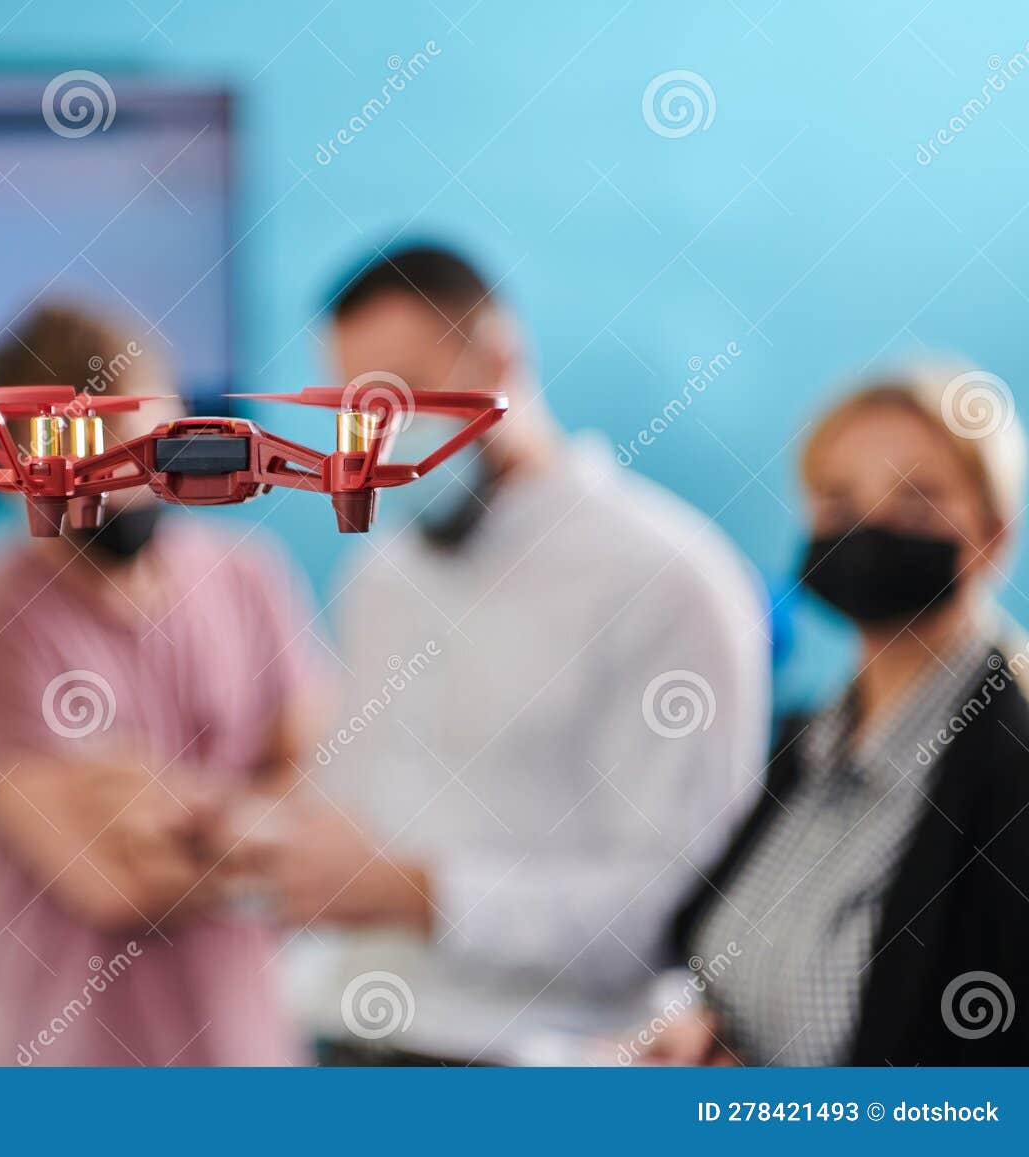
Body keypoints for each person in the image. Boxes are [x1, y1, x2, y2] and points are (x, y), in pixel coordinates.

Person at [231, 244, 771, 1064]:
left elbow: (677, 903)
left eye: (402, 395)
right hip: (345, 1033)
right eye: (354, 412)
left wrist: (419, 895)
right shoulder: (381, 575)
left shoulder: (668, 581)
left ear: (500, 357)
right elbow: (361, 799)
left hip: (539, 1062)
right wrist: (255, 831)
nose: (379, 438)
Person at [0, 303, 325, 1066]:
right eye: (96, 462)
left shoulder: (252, 579)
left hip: (248, 1055)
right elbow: (108, 884)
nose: (129, 485)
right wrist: (250, 825)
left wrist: (165, 810)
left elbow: (325, 804)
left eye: (149, 447)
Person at [657, 364, 1029, 1065]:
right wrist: (702, 1034)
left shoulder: (1012, 771)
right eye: (837, 502)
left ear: (991, 535)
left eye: (918, 503)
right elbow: (706, 959)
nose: (870, 527)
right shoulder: (800, 742)